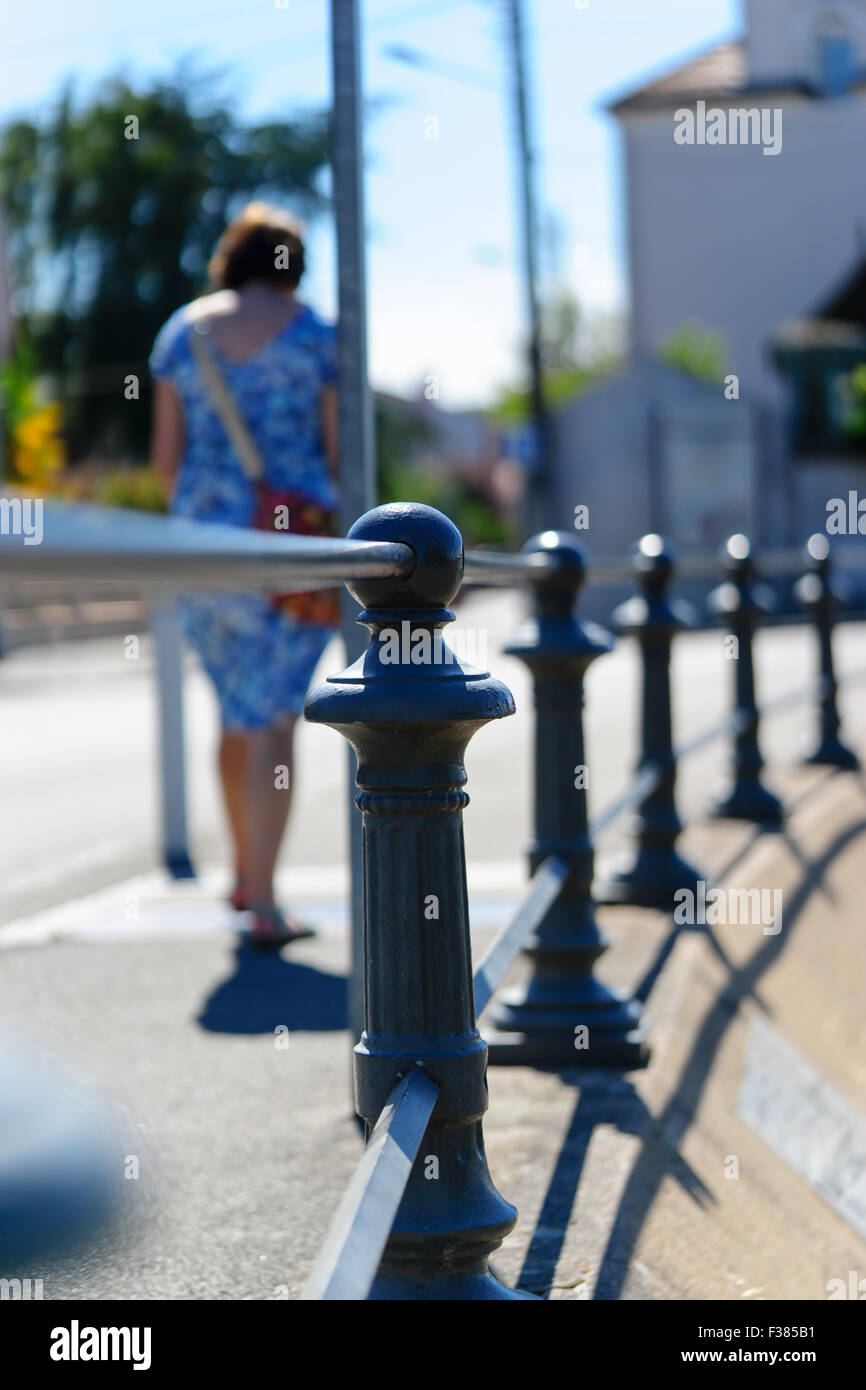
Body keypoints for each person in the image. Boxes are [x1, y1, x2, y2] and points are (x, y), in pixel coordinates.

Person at [149, 202, 339, 948]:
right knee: (275, 718)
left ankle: (243, 872)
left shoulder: (184, 331)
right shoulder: (316, 335)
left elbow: (166, 457)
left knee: (235, 710)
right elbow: (337, 449)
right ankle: (262, 896)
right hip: (292, 546)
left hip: (204, 541)